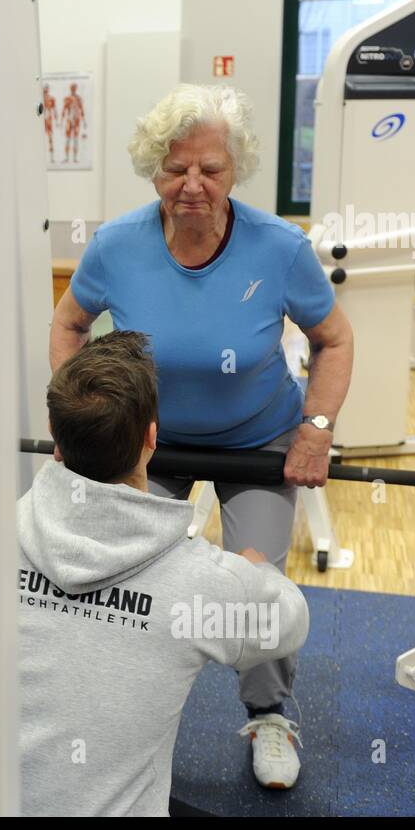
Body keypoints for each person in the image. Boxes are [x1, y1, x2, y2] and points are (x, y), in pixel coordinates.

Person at [49, 84, 353, 789]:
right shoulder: (116, 246)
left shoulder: (279, 248)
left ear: (234, 169)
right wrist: (73, 418)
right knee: (121, 571)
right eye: (174, 168)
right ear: (154, 169)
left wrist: (315, 429)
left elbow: (333, 339)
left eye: (209, 170)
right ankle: (119, 708)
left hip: (260, 444)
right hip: (149, 441)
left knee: (253, 584)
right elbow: (69, 324)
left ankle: (271, 716)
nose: (190, 185)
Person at [18, 331, 309, 816]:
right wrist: (258, 575)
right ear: (152, 439)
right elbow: (291, 620)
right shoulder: (205, 584)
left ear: (54, 434)